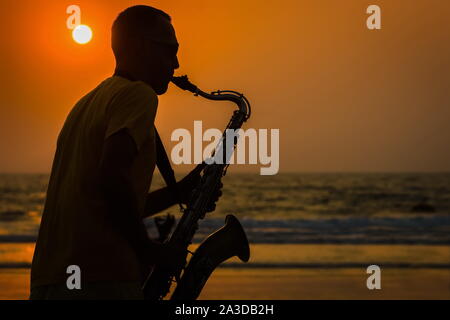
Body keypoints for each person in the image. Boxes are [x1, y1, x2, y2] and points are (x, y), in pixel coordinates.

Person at [30, 5, 220, 300]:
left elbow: (100, 203)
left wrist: (177, 193)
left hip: (53, 279)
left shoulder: (85, 104)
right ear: (141, 47)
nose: (176, 62)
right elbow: (111, 178)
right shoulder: (138, 95)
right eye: (169, 50)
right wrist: (148, 251)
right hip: (102, 279)